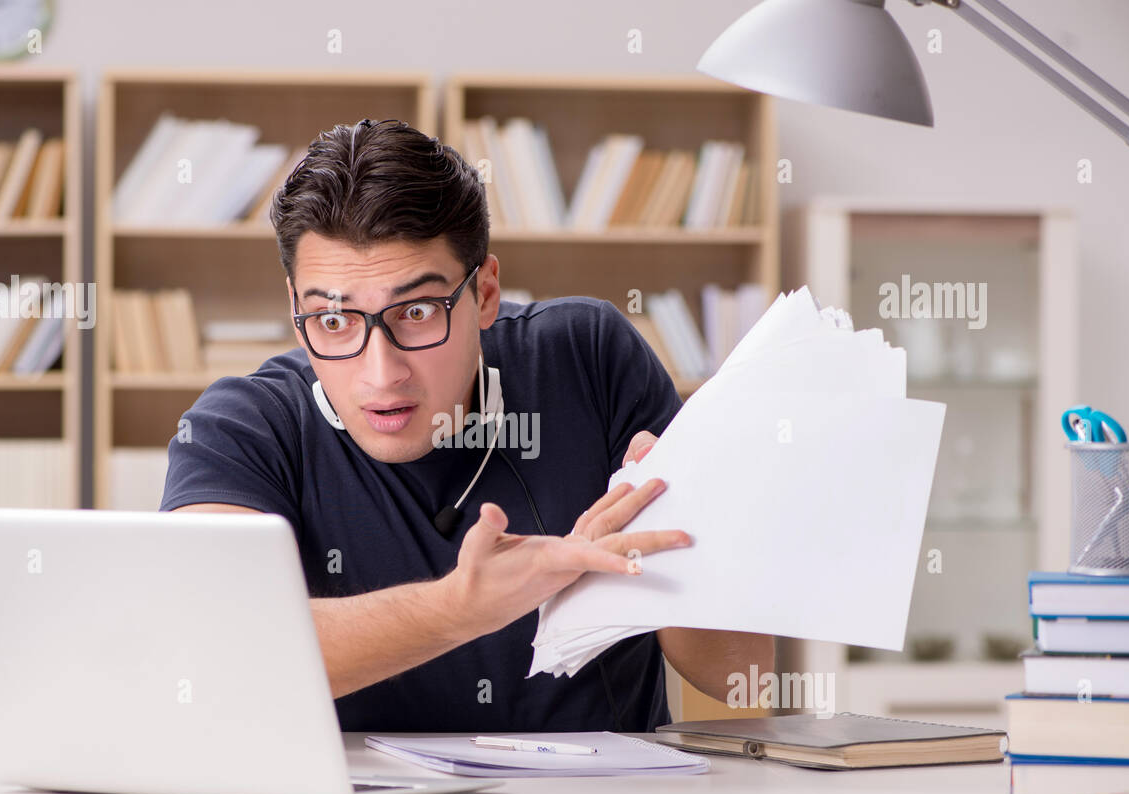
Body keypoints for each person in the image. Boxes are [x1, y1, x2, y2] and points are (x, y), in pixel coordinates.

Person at [160, 118, 773, 732]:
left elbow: (743, 681)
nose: (382, 373)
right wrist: (462, 607)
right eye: (334, 320)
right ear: (296, 313)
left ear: (484, 294)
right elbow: (210, 648)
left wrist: (668, 547)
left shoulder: (588, 356)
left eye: (419, 311)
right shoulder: (240, 426)